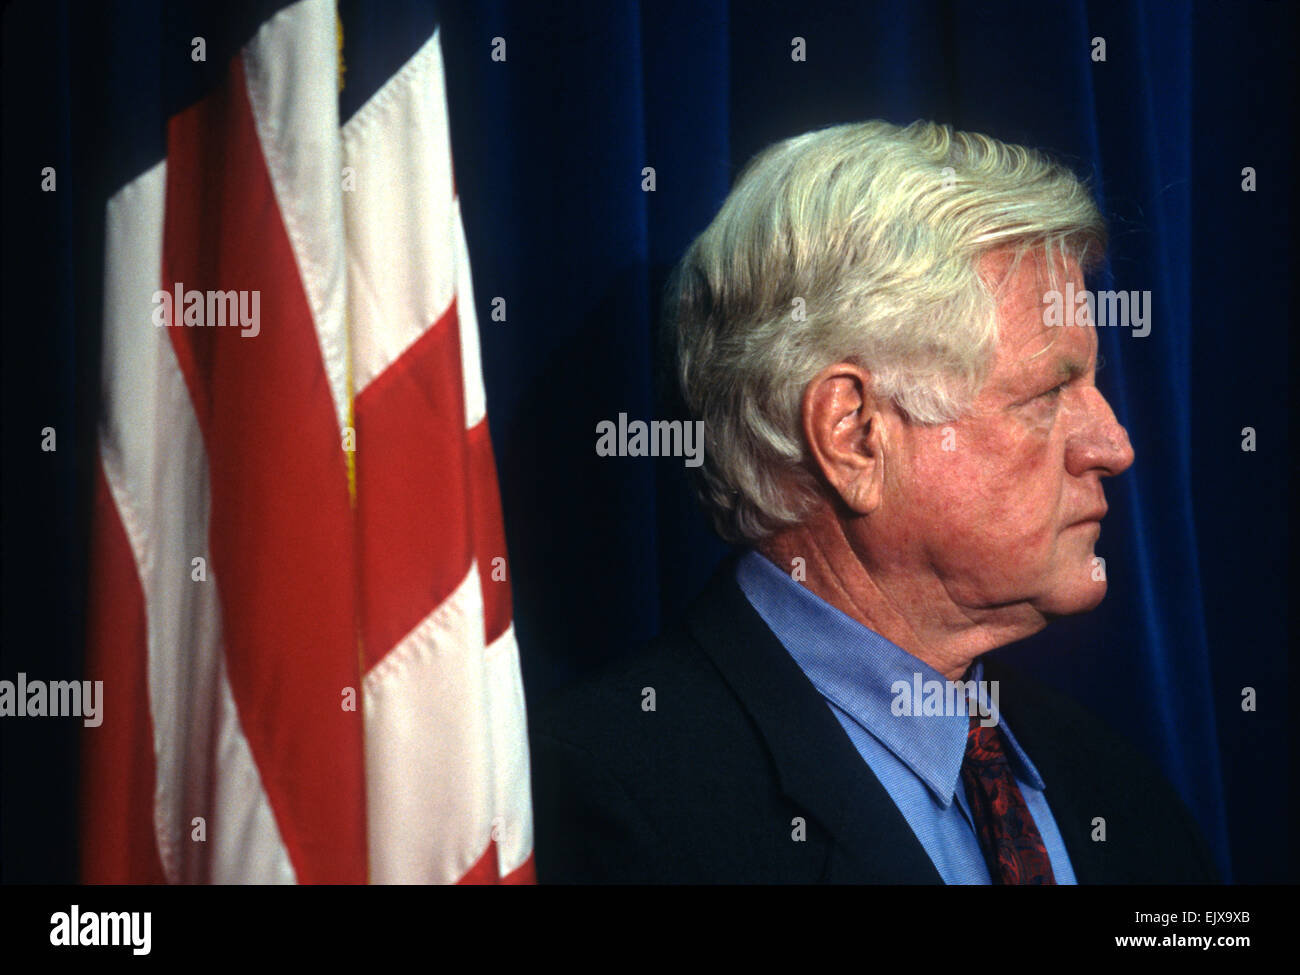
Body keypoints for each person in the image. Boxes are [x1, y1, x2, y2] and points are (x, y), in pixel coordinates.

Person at [529, 120, 1218, 884]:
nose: (1114, 445)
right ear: (854, 434)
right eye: (1051, 391)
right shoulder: (603, 808)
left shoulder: (1122, 793)